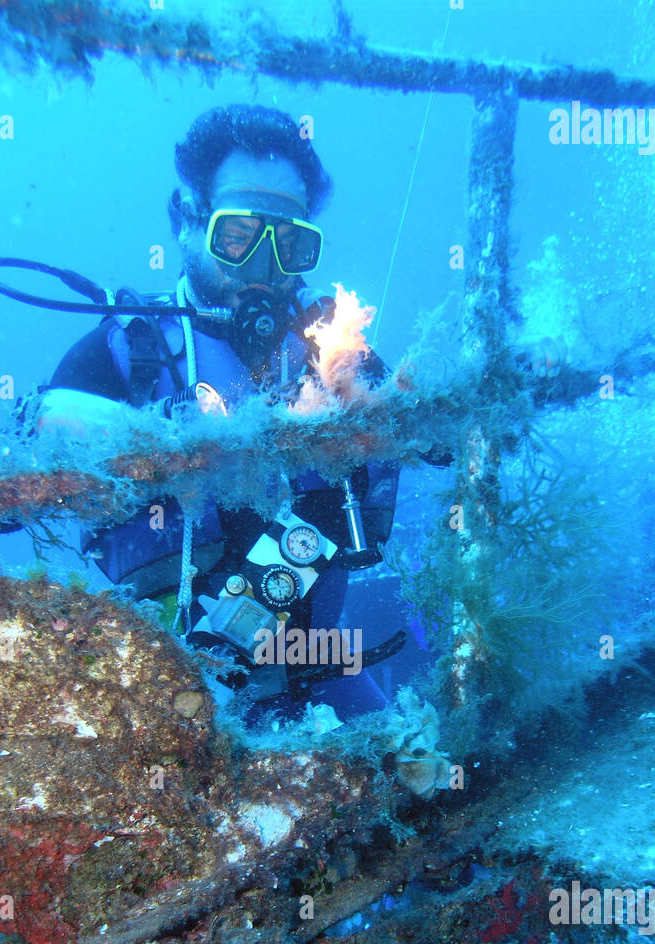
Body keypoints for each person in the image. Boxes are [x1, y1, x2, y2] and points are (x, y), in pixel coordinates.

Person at [30, 104, 405, 723]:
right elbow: (9, 493)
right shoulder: (133, 352)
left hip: (316, 674)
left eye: (289, 244)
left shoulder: (333, 351)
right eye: (238, 236)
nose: (264, 269)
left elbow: (431, 425)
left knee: (418, 786)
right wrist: (91, 430)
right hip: (167, 699)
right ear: (188, 221)